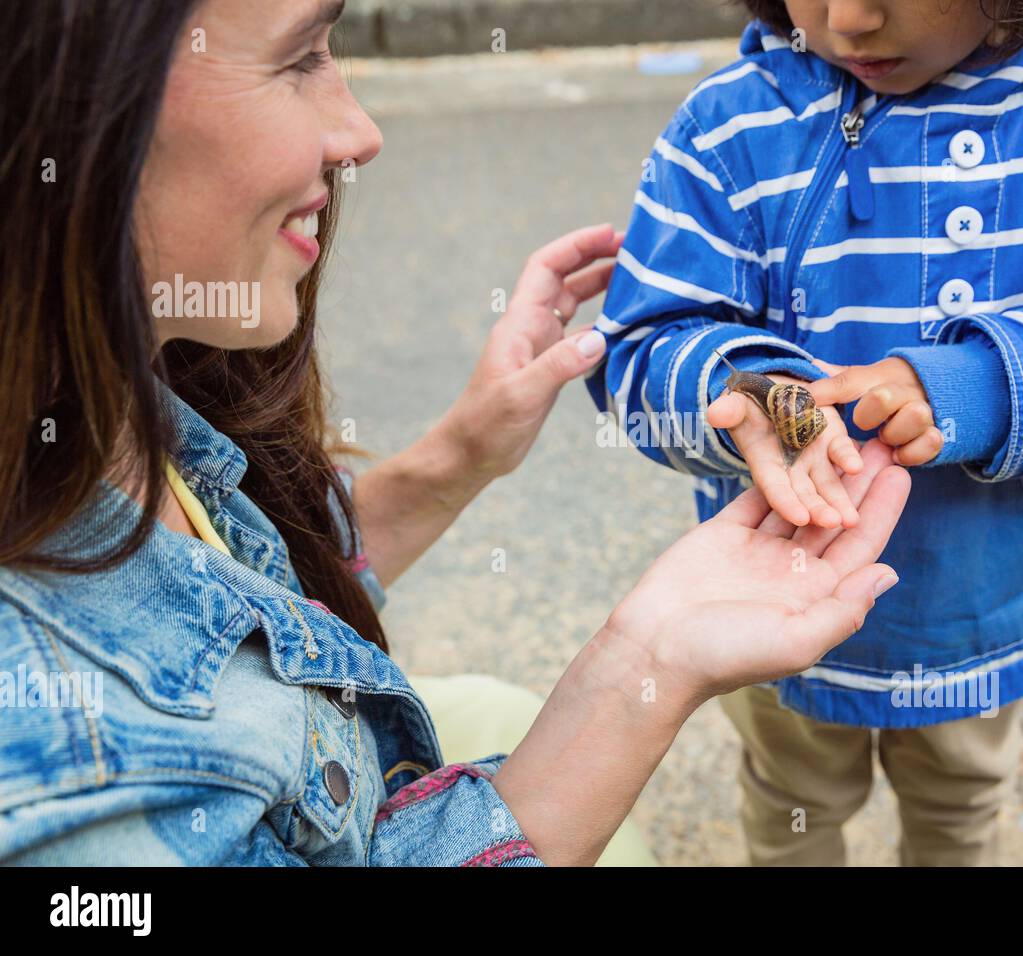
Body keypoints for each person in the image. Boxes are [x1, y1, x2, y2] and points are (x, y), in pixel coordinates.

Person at [0, 0, 911, 866]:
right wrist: (649, 668)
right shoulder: (72, 783)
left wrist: (462, 454)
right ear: (71, 114)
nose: (362, 133)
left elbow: (243, 595)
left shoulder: (111, 399)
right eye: (298, 57)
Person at [588, 0, 1023, 865]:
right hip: (776, 602)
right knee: (792, 803)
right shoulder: (729, 125)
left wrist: (991, 384)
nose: (849, 17)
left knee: (960, 806)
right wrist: (748, 391)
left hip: (988, 609)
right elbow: (639, 344)